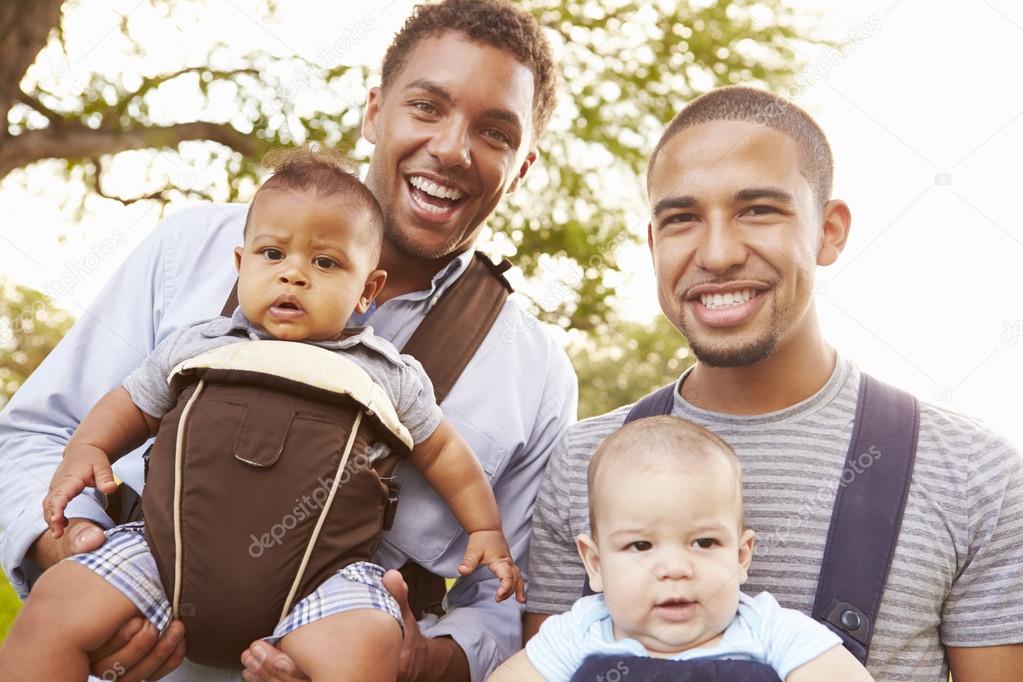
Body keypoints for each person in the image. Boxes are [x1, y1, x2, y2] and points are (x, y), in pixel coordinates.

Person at [0, 2, 576, 680]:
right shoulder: (193, 249)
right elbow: (37, 436)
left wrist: (419, 661)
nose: (451, 148)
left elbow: (512, 605)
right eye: (426, 107)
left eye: (495, 132)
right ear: (373, 111)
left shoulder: (535, 376)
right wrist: (68, 553)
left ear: (524, 165)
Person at [525, 86, 1023, 682]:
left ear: (829, 231)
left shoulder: (973, 474)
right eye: (682, 218)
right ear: (654, 245)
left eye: (757, 209)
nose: (717, 253)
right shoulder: (579, 462)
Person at [492, 416, 872, 682]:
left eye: (704, 542)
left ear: (741, 557)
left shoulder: (772, 633)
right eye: (640, 545)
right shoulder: (577, 634)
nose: (674, 568)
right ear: (595, 563)